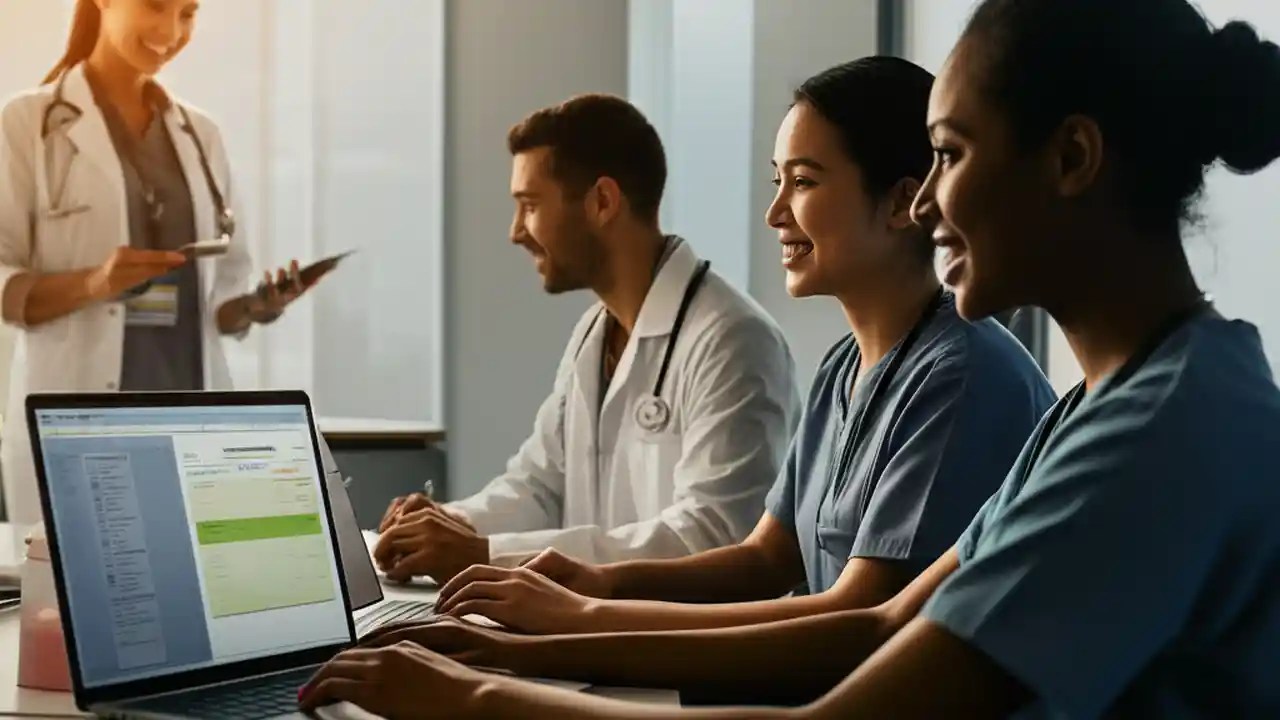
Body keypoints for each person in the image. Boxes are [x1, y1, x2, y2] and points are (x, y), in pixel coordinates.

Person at [299, 0, 1280, 717]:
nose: (927, 202)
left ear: (1068, 160)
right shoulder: (1116, 402)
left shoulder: (1152, 431)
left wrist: (478, 695)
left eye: (949, 155)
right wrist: (530, 636)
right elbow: (878, 620)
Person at [419, 58, 1055, 641]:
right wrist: (600, 583)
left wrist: (588, 620)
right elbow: (765, 557)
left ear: (899, 202)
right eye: (778, 180)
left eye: (803, 182)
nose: (775, 212)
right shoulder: (844, 368)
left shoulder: (958, 374)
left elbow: (863, 616)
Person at [373, 93, 800, 585]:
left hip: (678, 646)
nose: (516, 232)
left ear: (602, 201)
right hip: (597, 625)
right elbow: (540, 486)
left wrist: (484, 553)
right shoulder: (594, 332)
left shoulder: (733, 339)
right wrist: (452, 525)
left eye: (529, 206)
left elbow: (714, 535)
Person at [0, 0, 318, 524]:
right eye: (155, 6)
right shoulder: (28, 123)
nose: (171, 31)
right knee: (73, 596)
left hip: (188, 423)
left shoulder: (199, 134)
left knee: (187, 593)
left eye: (188, 13)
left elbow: (219, 300)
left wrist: (258, 306)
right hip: (78, 420)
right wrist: (95, 282)